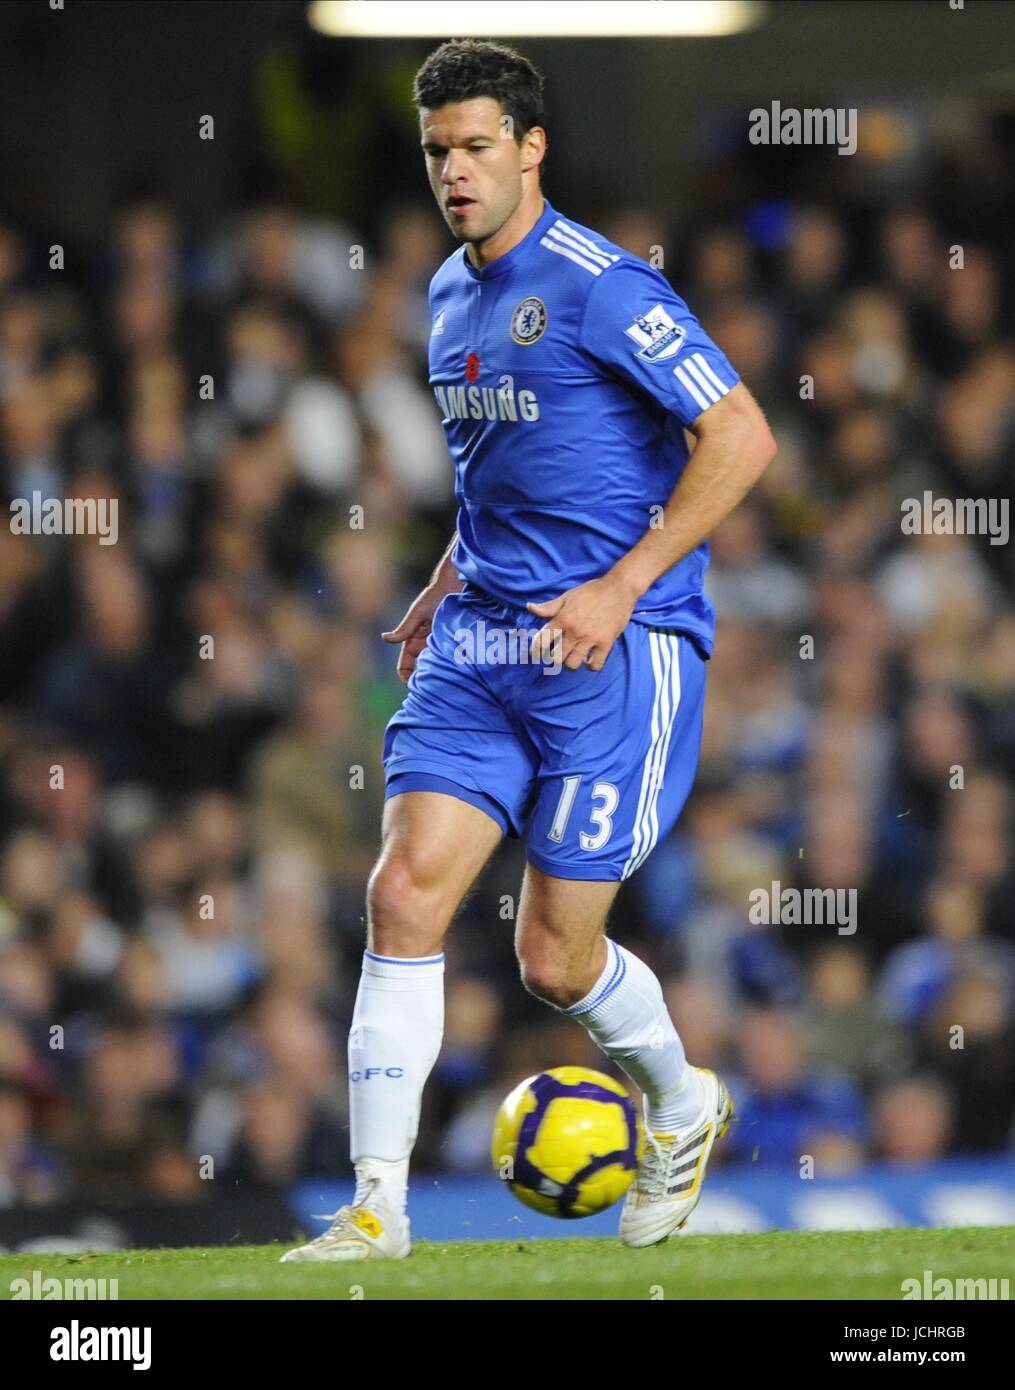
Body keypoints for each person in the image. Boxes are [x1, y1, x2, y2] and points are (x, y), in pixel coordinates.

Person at [282, 38, 775, 1262]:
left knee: (555, 960)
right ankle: (375, 1207)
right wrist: (446, 575)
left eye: (477, 146)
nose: (454, 171)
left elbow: (742, 435)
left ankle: (678, 1099)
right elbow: (507, 473)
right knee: (400, 893)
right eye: (438, 150)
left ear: (531, 148)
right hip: (479, 638)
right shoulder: (446, 292)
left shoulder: (608, 287)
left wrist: (622, 583)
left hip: (615, 648)